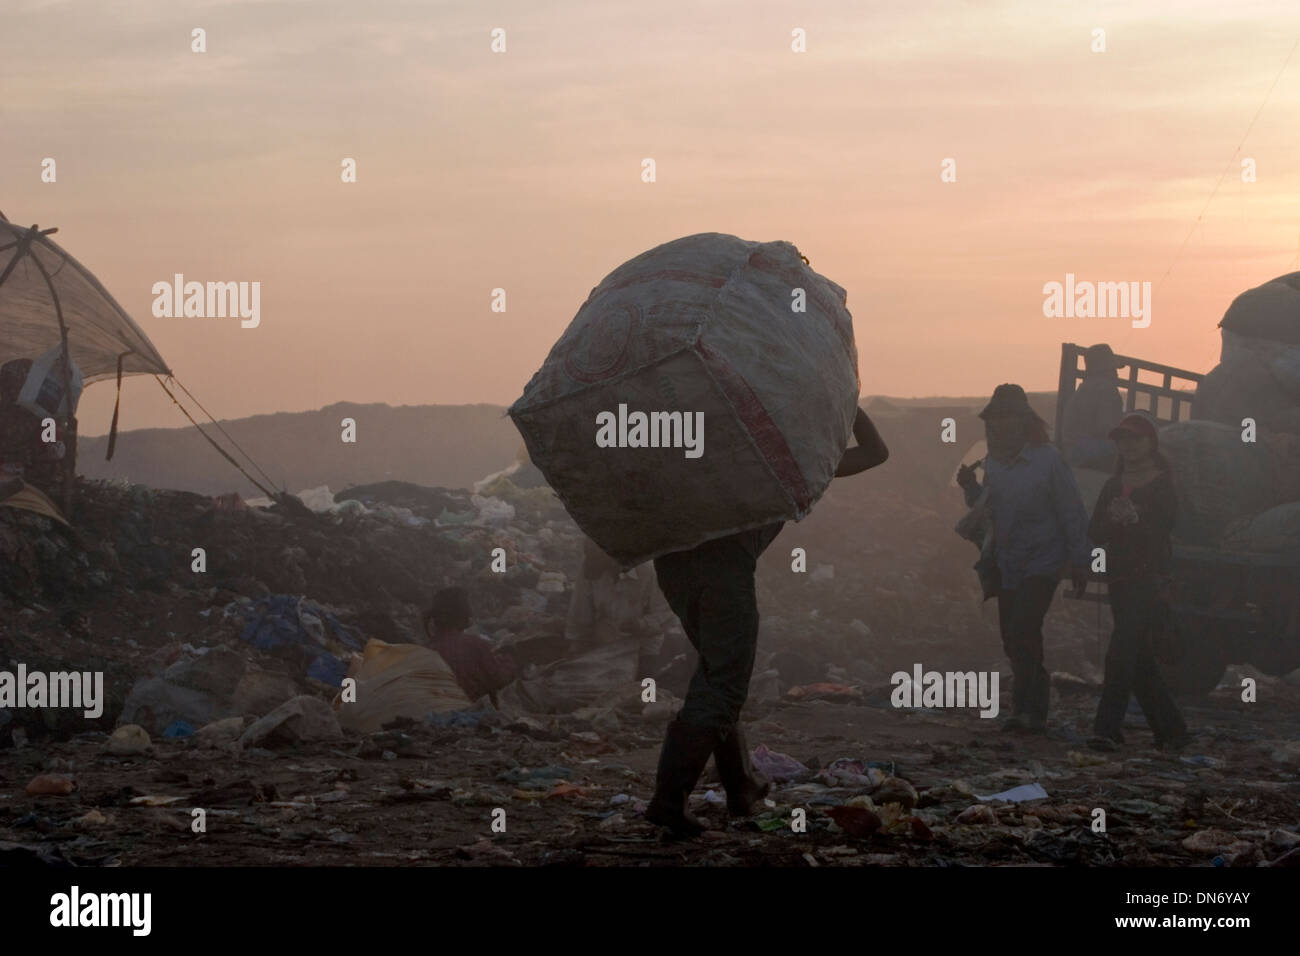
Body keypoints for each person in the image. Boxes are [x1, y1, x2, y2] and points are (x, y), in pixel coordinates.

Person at [645, 406, 888, 836]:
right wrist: (846, 400)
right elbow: (875, 453)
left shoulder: (710, 449)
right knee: (724, 684)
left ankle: (741, 785)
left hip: (673, 566)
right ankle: (669, 800)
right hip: (722, 573)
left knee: (718, 675)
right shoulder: (787, 461)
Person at [957, 384, 1089, 733]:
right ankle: (1028, 708)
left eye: (1008, 417)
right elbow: (984, 508)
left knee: (1024, 627)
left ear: (1024, 420)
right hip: (1008, 561)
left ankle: (1028, 709)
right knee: (1011, 637)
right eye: (996, 418)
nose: (1001, 424)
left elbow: (1072, 511)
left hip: (1044, 559)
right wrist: (969, 487)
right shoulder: (992, 463)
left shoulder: (1048, 460)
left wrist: (1080, 560)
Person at [1086, 413, 1187, 752]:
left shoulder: (1162, 484)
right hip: (1120, 578)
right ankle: (1172, 730)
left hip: (1148, 579)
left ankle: (1106, 729)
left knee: (1120, 653)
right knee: (1138, 657)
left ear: (1150, 443)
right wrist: (1114, 521)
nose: (1128, 445)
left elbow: (1164, 530)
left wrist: (1135, 519)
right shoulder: (1113, 485)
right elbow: (1095, 531)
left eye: (1135, 438)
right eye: (1122, 439)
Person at [422, 587, 518, 708]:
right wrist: (510, 659)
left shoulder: (425, 650)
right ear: (463, 615)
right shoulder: (476, 645)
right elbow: (499, 679)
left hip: (436, 713)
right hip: (473, 713)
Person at [1061, 344, 1124, 470]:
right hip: (1089, 450)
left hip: (1073, 450)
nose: (1116, 374)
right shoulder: (1106, 388)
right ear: (1107, 370)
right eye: (1113, 369)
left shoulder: (1085, 387)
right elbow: (1105, 428)